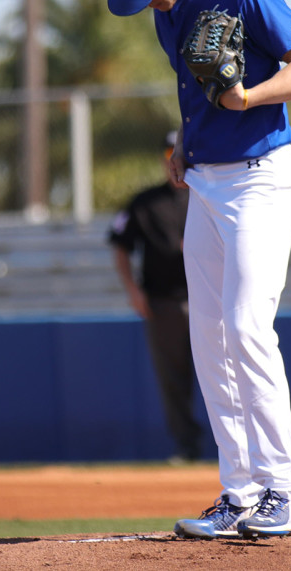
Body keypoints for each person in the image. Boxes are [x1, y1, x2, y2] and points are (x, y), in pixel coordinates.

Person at [104, 0, 291, 539]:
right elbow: (196, 92)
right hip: (206, 182)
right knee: (208, 335)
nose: (147, 0)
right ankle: (240, 491)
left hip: (262, 178)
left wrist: (250, 95)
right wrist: (186, 148)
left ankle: (284, 491)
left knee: (246, 326)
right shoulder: (167, 8)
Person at [108, 130, 202, 464]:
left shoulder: (210, 196)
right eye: (170, 155)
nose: (176, 161)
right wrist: (134, 292)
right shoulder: (145, 202)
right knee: (173, 379)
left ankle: (236, 452)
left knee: (225, 376)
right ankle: (187, 446)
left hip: (209, 303)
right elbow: (119, 245)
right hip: (163, 302)